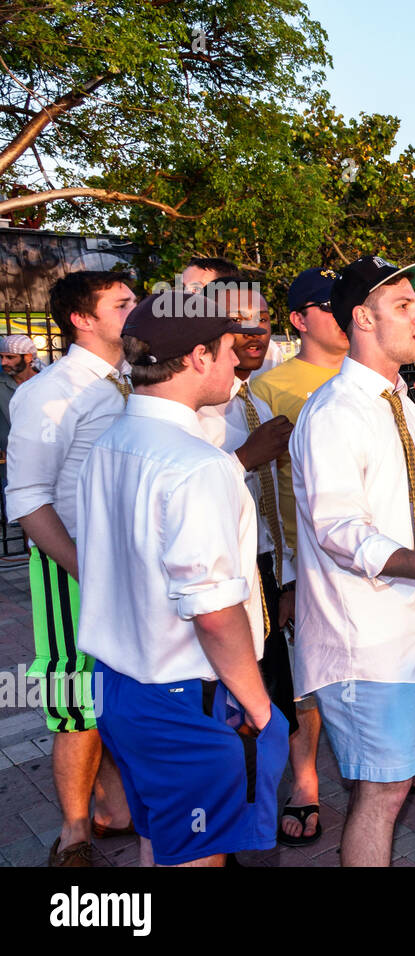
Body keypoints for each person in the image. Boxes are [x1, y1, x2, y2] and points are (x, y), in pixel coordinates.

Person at [290, 255, 415, 867]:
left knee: (393, 785)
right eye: (404, 305)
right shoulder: (332, 412)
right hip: (361, 643)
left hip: (407, 636)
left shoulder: (402, 405)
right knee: (381, 794)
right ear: (361, 319)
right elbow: (337, 528)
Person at [77, 290, 290, 866]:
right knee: (196, 856)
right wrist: (259, 707)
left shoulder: (108, 444)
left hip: (120, 687)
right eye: (226, 348)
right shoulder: (195, 465)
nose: (236, 361)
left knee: (163, 843)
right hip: (182, 698)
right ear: (198, 356)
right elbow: (214, 612)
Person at [4, 272, 135, 867]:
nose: (138, 309)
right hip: (73, 566)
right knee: (75, 696)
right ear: (82, 318)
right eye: (123, 303)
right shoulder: (48, 392)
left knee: (123, 685)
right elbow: (27, 496)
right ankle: (74, 835)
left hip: (134, 568)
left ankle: (110, 808)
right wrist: (84, 567)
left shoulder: (135, 380)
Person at [194, 279, 313, 844]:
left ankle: (262, 806)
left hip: (264, 570)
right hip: (217, 580)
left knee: (273, 685)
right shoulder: (198, 407)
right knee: (229, 700)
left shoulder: (257, 397)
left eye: (263, 319)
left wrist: (285, 577)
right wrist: (247, 455)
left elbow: (279, 505)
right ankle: (224, 825)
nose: (256, 332)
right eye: (242, 323)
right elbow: (191, 495)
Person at [249, 267, 357, 844]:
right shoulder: (268, 388)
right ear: (299, 319)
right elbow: (263, 491)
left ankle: (384, 767)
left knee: (373, 664)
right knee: (305, 677)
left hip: (373, 560)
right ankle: (307, 782)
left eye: (347, 301)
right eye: (326, 303)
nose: (342, 312)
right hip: (304, 559)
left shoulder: (371, 375)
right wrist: (285, 574)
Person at [182, 256, 286, 377]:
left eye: (196, 289)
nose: (185, 297)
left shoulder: (269, 354)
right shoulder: (177, 354)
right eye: (184, 288)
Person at [1, 333, 42, 451]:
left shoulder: (47, 382)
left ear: (28, 357)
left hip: (42, 452)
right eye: (1, 357)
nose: (3, 362)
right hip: (8, 457)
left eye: (10, 357)